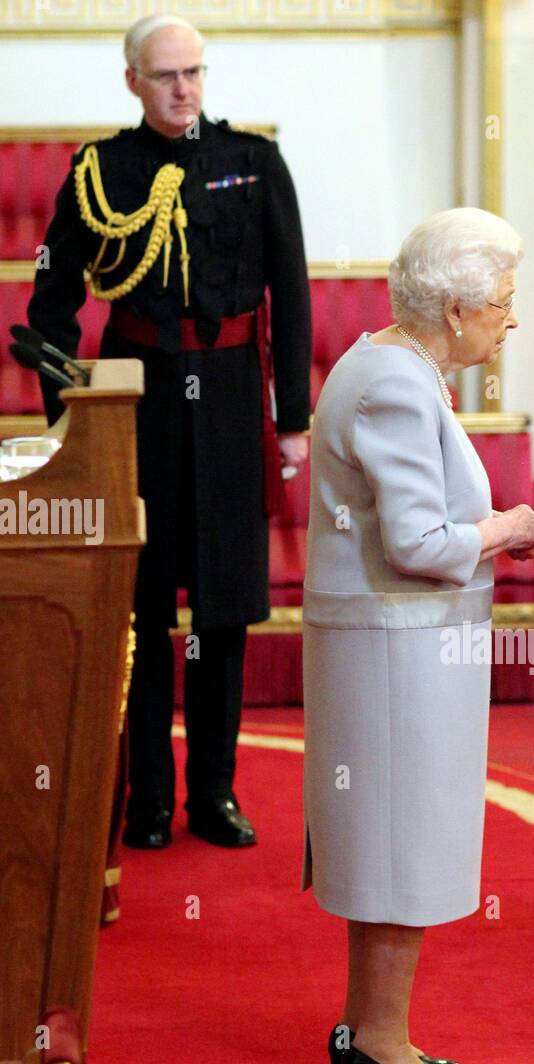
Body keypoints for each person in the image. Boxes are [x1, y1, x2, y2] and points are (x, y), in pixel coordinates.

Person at [27, 14, 312, 851]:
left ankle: (213, 794)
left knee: (222, 613)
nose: (183, 88)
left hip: (227, 401)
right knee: (142, 607)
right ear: (132, 83)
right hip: (134, 400)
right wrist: (71, 420)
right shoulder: (99, 172)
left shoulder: (252, 165)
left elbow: (289, 295)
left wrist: (290, 420)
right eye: (165, 76)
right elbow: (51, 305)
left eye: (194, 72)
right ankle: (148, 798)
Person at [302, 208, 534, 1064]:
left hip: (398, 649)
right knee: (402, 844)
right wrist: (504, 529)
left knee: (392, 842)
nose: (510, 321)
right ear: (453, 308)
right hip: (397, 655)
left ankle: (371, 1031)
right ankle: (382, 1039)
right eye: (503, 304)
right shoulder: (395, 383)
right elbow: (416, 541)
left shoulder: (394, 365)